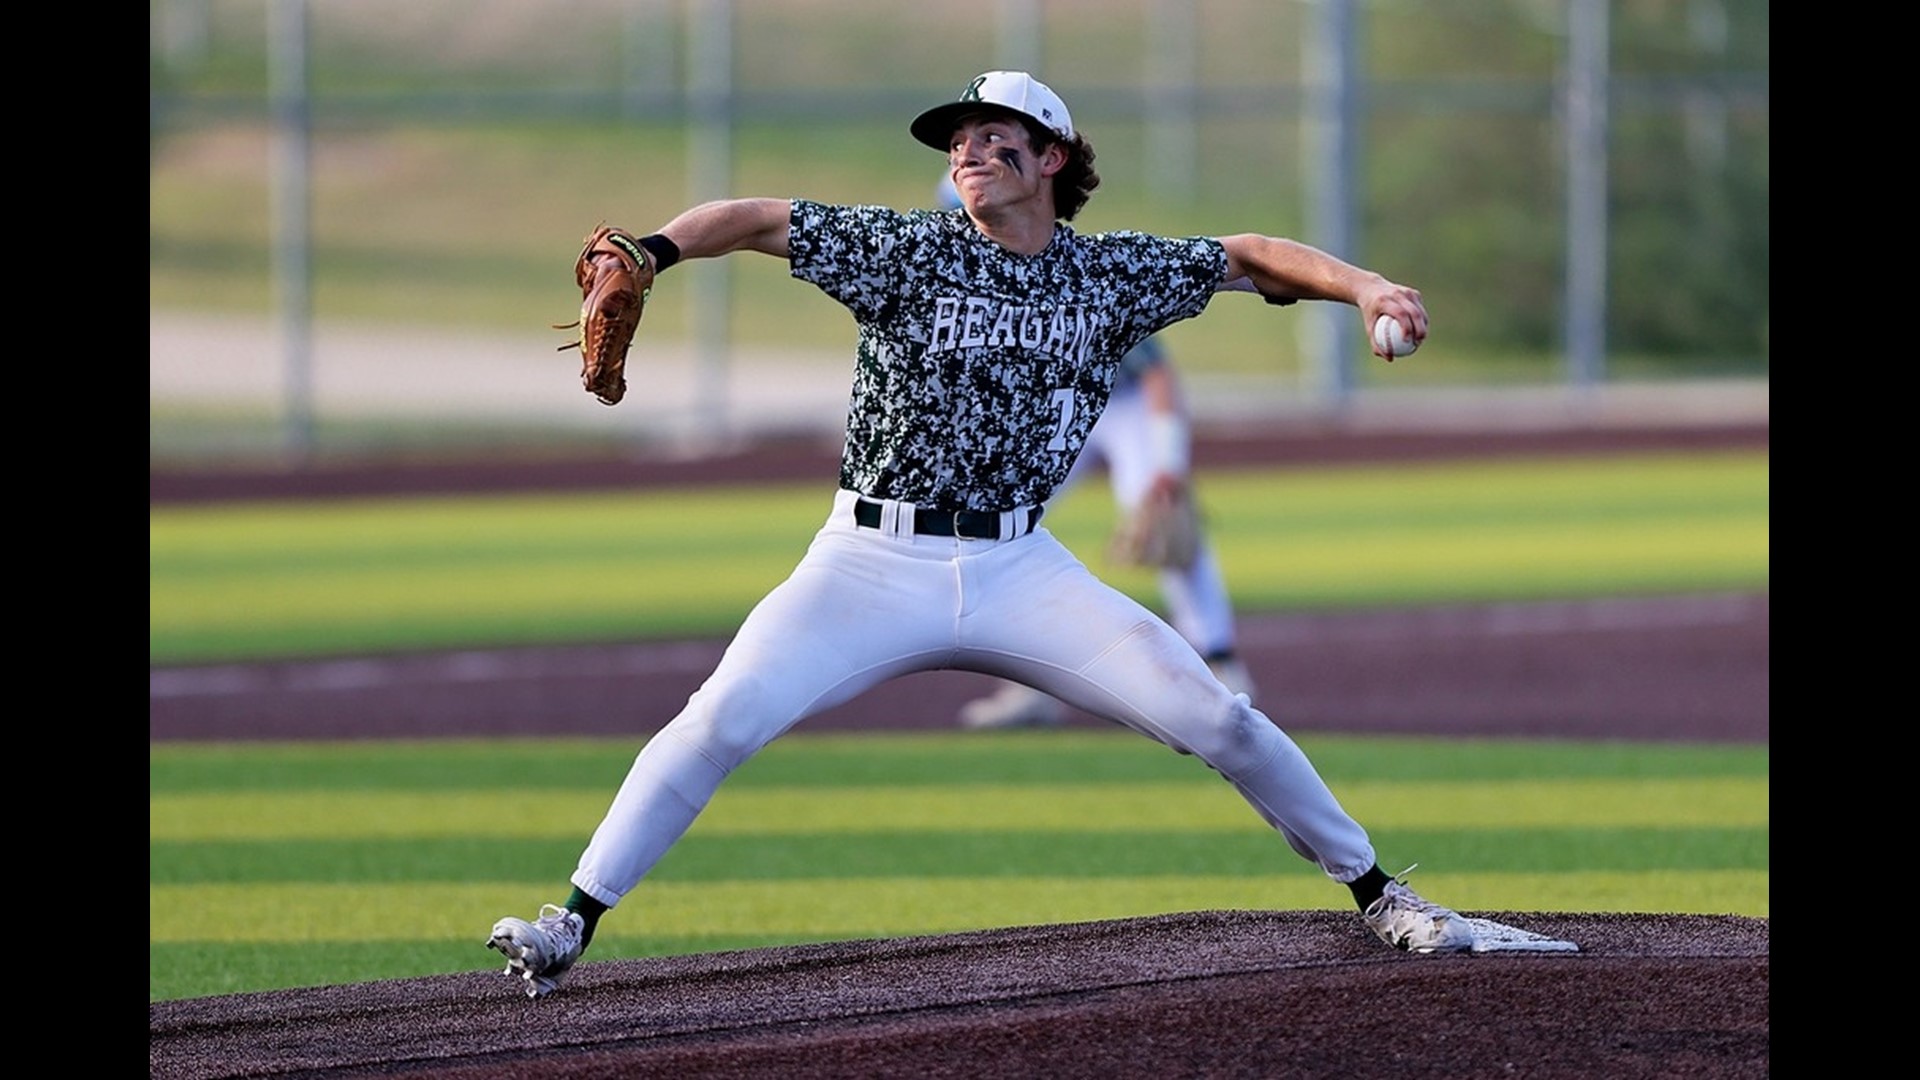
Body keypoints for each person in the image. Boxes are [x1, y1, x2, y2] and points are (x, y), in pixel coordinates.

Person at [487, 69, 1460, 999]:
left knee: (1217, 718)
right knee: (717, 719)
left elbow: (1248, 255)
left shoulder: (1110, 274)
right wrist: (652, 250)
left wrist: (1367, 287)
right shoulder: (907, 250)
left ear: (1052, 162)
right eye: (959, 142)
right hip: (867, 561)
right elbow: (753, 220)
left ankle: (1379, 892)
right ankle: (570, 919)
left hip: (1017, 566)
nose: (969, 154)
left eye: (996, 140)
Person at [934, 174, 1255, 729]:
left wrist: (1168, 461)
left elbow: (1153, 370)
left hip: (1123, 407)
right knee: (998, 530)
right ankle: (1028, 684)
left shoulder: (1070, 272)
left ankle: (1221, 664)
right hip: (1059, 412)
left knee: (1163, 513)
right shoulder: (963, 277)